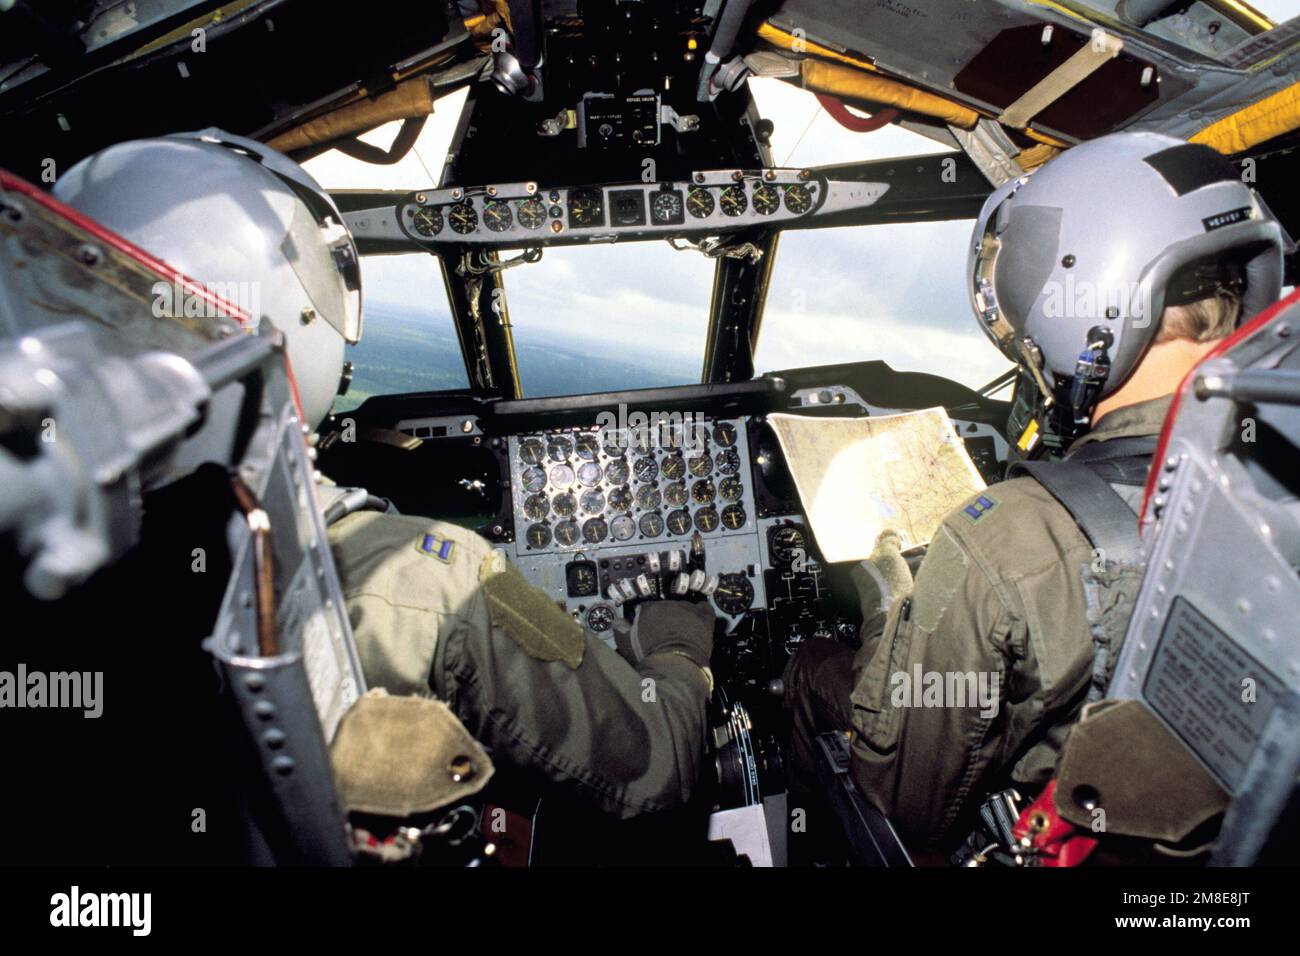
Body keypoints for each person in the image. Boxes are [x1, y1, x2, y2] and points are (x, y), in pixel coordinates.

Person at [54, 131, 718, 820]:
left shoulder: (48, 569)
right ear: (296, 318)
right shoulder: (436, 580)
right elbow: (654, 767)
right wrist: (674, 648)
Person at [784, 130, 1286, 850]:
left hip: (1049, 836)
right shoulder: (1277, 472)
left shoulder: (1008, 537)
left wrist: (891, 605)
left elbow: (906, 796)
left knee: (809, 671)